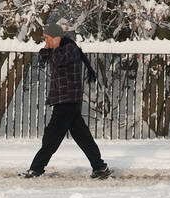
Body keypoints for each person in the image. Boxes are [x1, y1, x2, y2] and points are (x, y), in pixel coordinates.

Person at [20, 22, 111, 179]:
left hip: (67, 100)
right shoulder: (61, 48)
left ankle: (36, 168)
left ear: (57, 37)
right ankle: (99, 167)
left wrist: (48, 50)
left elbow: (57, 60)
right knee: (82, 136)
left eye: (48, 38)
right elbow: (47, 56)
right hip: (67, 100)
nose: (46, 42)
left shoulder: (70, 49)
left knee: (52, 135)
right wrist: (48, 50)